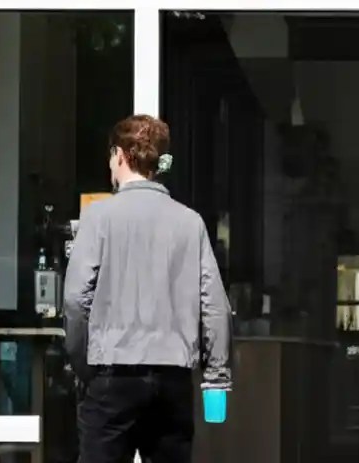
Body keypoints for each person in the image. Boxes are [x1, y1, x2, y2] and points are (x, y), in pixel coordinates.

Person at [64, 114, 233, 463]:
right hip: (173, 379)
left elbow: (76, 300)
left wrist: (84, 365)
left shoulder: (98, 217)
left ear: (119, 155)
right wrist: (216, 378)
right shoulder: (190, 222)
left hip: (112, 372)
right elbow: (215, 306)